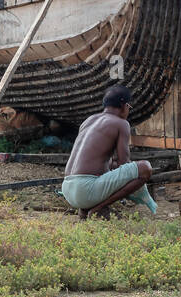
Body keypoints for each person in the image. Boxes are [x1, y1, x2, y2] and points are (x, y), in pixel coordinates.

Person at [62, 85, 157, 219]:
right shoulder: (121, 123)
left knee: (111, 165)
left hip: (67, 188)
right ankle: (98, 208)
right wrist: (139, 189)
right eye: (129, 107)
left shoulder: (88, 121)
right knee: (144, 168)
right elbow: (125, 164)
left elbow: (98, 163)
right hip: (86, 190)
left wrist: (112, 165)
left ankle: (84, 210)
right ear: (125, 106)